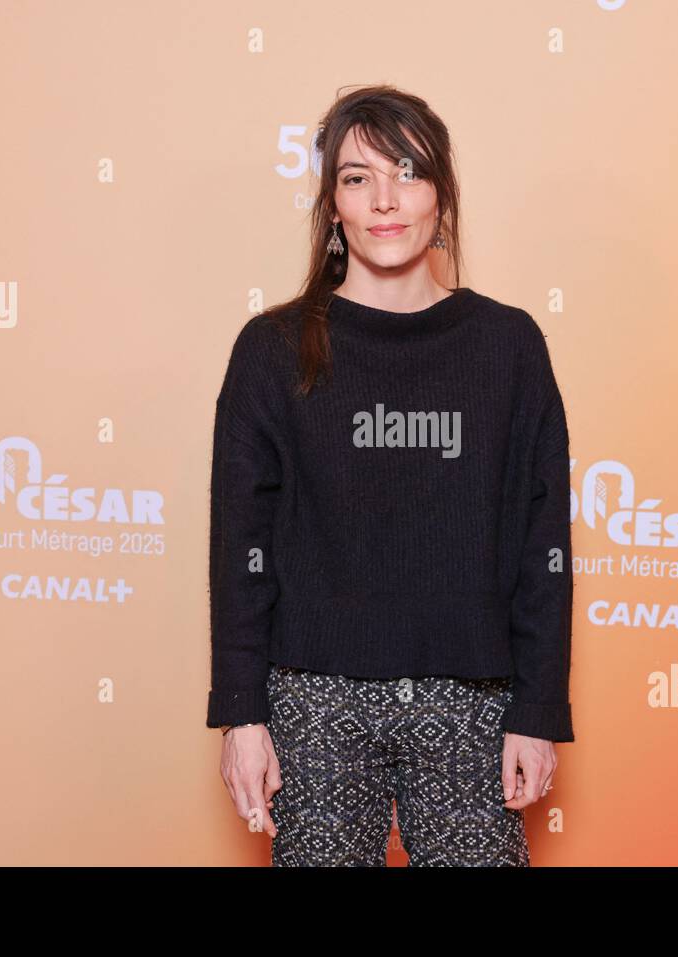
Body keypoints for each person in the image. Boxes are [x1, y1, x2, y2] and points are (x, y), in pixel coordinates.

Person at [207, 84, 574, 866]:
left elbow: (543, 542)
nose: (383, 199)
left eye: (407, 171)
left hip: (473, 699)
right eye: (356, 176)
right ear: (331, 204)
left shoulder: (508, 348)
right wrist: (243, 713)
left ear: (442, 195)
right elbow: (240, 547)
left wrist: (538, 708)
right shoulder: (273, 351)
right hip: (313, 699)